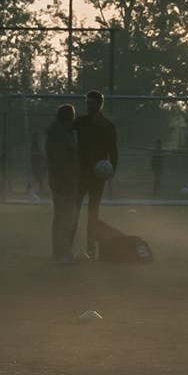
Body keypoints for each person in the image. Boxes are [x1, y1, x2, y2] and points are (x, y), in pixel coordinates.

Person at [73, 90, 118, 260]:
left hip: (97, 177)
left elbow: (113, 151)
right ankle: (69, 246)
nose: (89, 105)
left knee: (93, 213)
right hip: (80, 173)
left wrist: (112, 169)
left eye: (92, 103)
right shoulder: (80, 123)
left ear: (100, 104)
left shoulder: (108, 126)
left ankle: (91, 248)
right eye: (87, 103)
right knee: (74, 211)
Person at [45, 105, 79, 264]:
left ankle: (60, 252)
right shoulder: (61, 136)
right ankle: (62, 254)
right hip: (64, 181)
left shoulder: (57, 133)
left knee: (61, 217)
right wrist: (70, 178)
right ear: (70, 118)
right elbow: (61, 161)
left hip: (59, 179)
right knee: (66, 217)